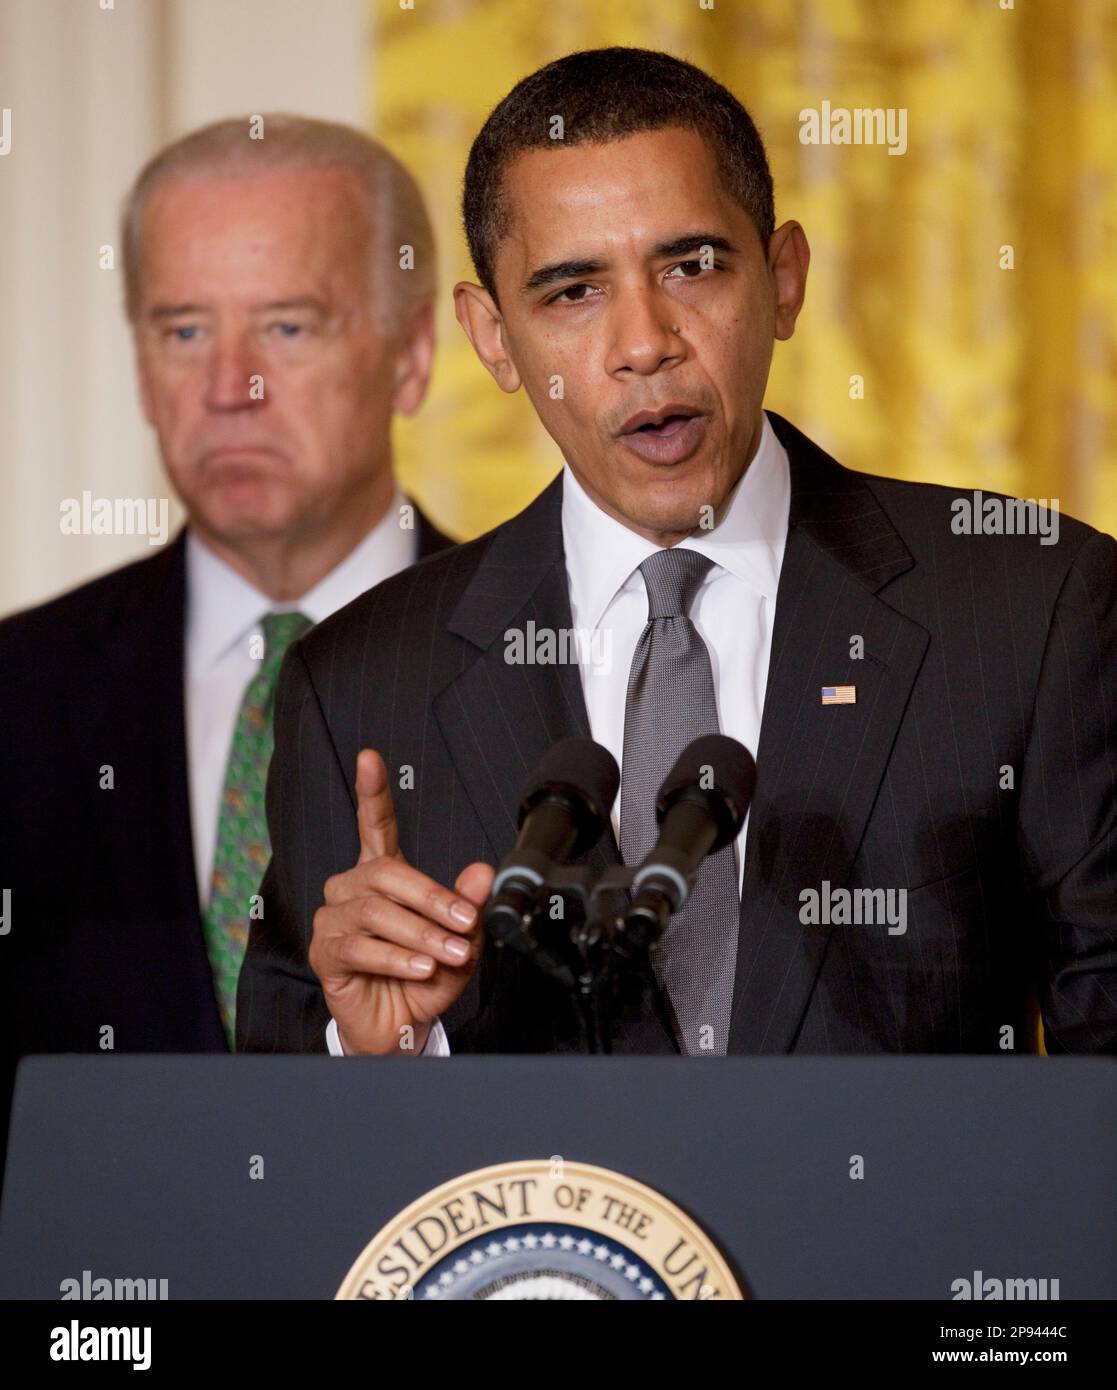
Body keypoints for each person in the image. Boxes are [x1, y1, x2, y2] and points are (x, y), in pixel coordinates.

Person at [237, 50, 1117, 1060]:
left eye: (691, 267)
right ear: (492, 338)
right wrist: (379, 1058)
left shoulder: (1031, 611)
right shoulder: (355, 686)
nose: (644, 342)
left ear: (783, 280)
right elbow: (274, 1112)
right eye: (572, 291)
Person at [0, 113, 450, 1133]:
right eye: (184, 331)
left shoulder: (558, 663)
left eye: (287, 327)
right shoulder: (18, 695)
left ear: (413, 353)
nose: (227, 388)